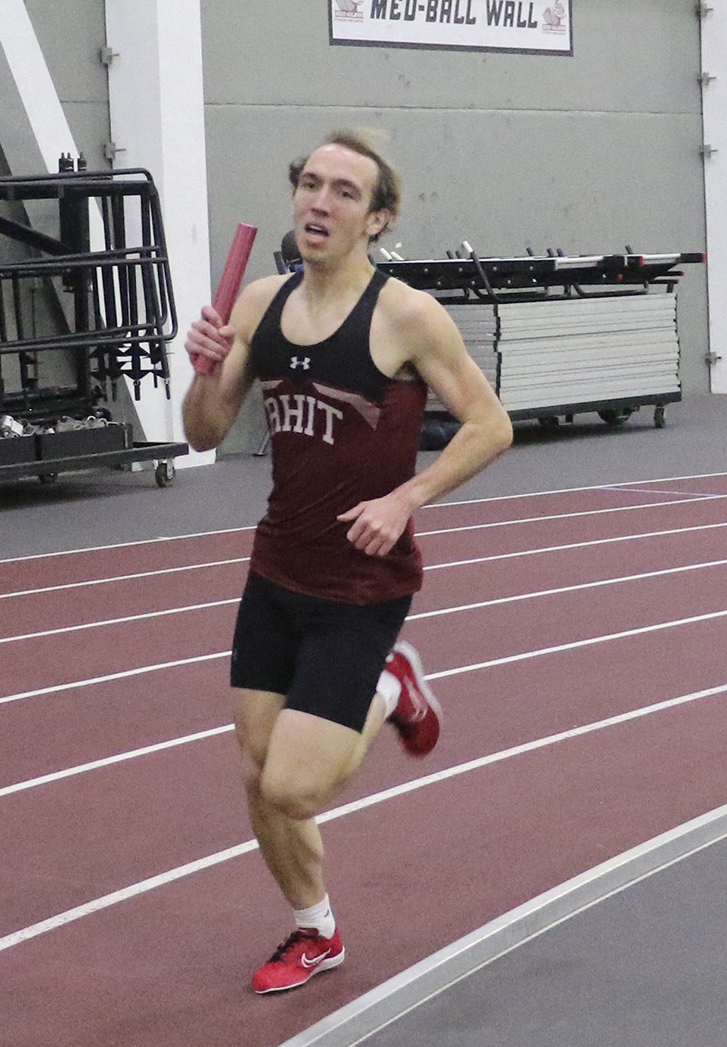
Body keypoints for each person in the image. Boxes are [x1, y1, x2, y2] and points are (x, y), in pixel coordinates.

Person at [183, 131, 513, 994]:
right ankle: (314, 931)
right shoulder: (258, 304)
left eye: (344, 193)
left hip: (362, 584)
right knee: (258, 780)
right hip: (276, 569)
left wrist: (405, 499)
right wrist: (202, 373)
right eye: (311, 186)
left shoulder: (405, 315)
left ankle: (391, 687)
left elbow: (491, 425)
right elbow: (204, 434)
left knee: (295, 788)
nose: (320, 204)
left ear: (377, 219)